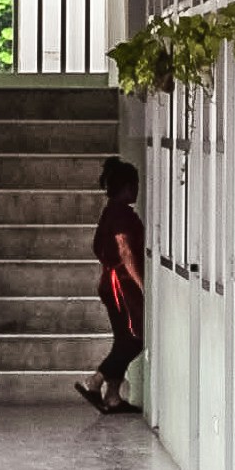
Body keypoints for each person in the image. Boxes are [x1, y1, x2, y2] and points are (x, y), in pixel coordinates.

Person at [80, 155, 146, 413]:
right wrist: (142, 284)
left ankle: (113, 397)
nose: (137, 189)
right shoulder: (120, 214)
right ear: (126, 186)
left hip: (111, 282)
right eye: (135, 184)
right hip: (121, 284)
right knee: (134, 339)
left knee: (124, 338)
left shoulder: (112, 212)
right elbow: (125, 250)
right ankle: (95, 381)